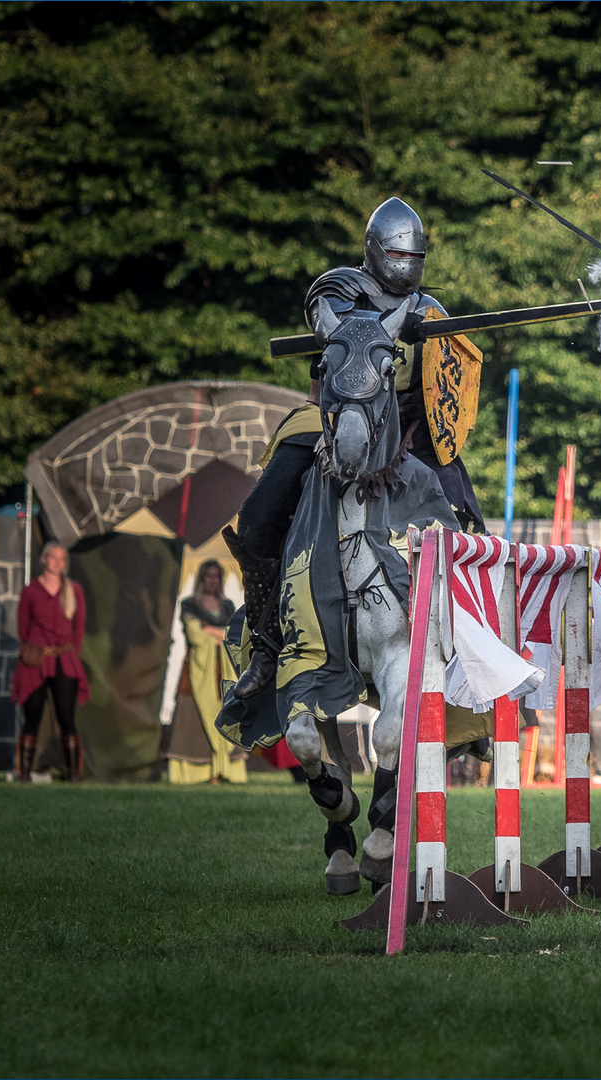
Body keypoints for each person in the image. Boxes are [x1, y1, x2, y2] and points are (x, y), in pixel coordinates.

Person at [224, 196, 486, 698]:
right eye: (398, 256)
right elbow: (330, 324)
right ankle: (266, 641)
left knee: (467, 523)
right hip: (330, 416)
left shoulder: (432, 310)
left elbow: (449, 382)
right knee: (259, 515)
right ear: (374, 250)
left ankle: (467, 666)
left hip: (408, 427)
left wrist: (428, 336)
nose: (406, 267)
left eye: (415, 259)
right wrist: (391, 328)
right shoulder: (340, 289)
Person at [11, 541, 90, 780]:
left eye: (61, 558)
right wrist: (32, 652)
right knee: (32, 714)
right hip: (36, 660)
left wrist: (70, 654)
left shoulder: (73, 590)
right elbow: (23, 628)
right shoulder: (31, 591)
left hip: (63, 659)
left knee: (66, 715)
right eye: (53, 557)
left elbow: (79, 628)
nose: (57, 562)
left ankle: (74, 773)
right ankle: (23, 772)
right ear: (44, 559)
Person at [164, 560, 247, 784]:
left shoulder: (228, 605)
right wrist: (216, 633)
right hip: (196, 671)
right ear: (201, 578)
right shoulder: (189, 604)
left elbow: (235, 634)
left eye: (216, 576)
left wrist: (210, 629)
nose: (213, 580)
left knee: (227, 713)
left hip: (224, 671)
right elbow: (195, 635)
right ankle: (198, 772)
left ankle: (225, 769)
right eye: (208, 575)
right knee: (193, 716)